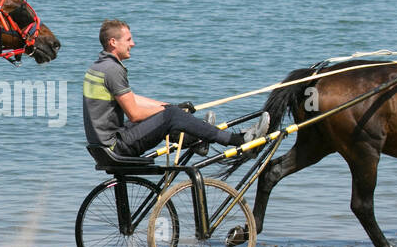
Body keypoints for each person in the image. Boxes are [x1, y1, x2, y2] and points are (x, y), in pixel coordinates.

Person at [83, 20, 269, 157]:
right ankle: (238, 140)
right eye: (129, 39)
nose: (133, 44)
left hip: (103, 146)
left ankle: (196, 138)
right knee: (170, 115)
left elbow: (132, 98)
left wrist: (168, 105)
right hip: (117, 147)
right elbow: (134, 114)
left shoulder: (98, 67)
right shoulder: (113, 70)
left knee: (167, 113)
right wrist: (171, 111)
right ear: (113, 42)